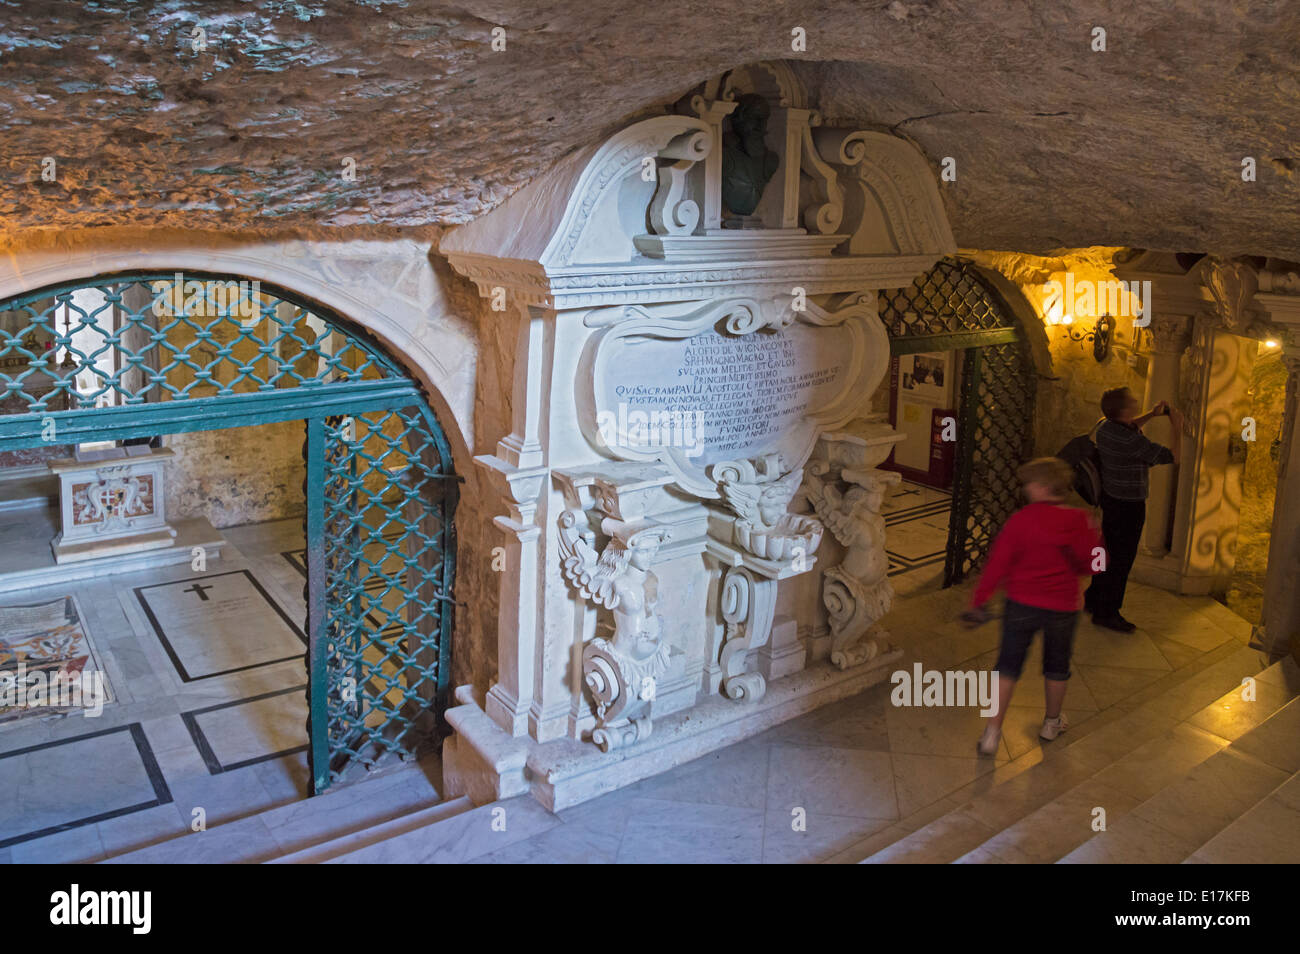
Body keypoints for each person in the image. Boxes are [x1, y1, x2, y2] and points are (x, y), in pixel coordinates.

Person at [959, 457, 1102, 756]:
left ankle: (992, 733)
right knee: (1057, 666)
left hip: (1020, 603)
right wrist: (1095, 537)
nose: (1025, 489)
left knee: (1007, 667)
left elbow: (996, 566)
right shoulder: (1081, 520)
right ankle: (1051, 723)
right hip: (1063, 606)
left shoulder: (1021, 520)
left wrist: (978, 601)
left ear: (1043, 487)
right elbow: (1096, 564)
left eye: (1029, 484)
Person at [1083, 387, 1182, 632]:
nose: (1137, 401)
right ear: (1125, 409)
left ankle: (1093, 598)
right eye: (1133, 400)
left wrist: (1151, 415)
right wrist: (1177, 427)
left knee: (1107, 552)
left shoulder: (1105, 426)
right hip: (1128, 505)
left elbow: (1128, 425)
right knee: (1121, 560)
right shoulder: (1131, 440)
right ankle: (1107, 613)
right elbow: (1171, 456)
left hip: (1111, 499)